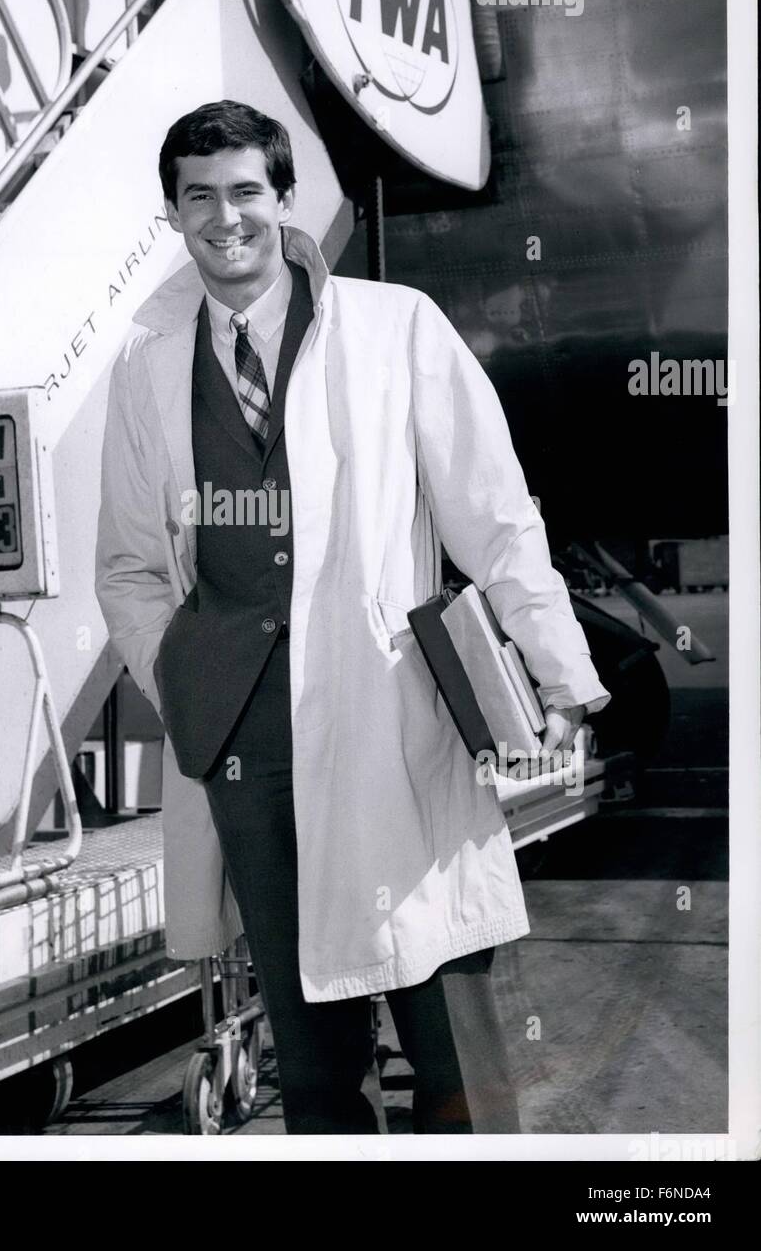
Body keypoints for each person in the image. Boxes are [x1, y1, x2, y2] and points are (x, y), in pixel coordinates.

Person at [95, 100, 610, 1135]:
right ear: (173, 213)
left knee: (448, 1025)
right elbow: (128, 568)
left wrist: (562, 672)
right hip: (244, 746)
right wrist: (186, 679)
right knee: (313, 1053)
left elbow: (496, 519)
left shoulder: (395, 326)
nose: (224, 217)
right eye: (199, 197)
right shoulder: (148, 372)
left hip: (386, 716)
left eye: (246, 191)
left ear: (283, 201)